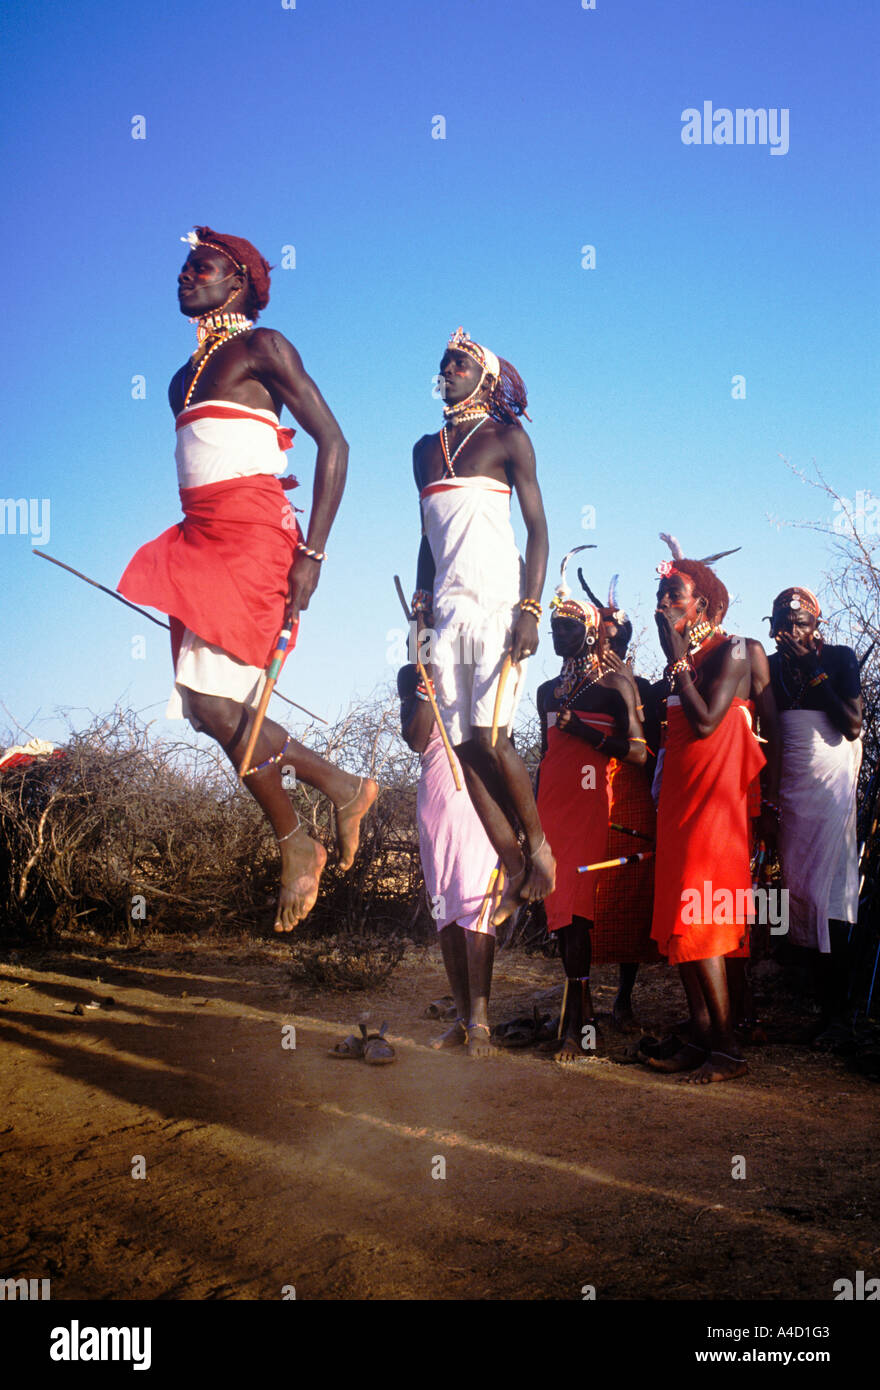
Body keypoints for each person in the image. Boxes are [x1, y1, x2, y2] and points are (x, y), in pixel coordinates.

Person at [120, 226, 376, 932]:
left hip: (257, 536)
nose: (183, 275)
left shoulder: (264, 348)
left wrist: (313, 557)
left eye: (199, 266)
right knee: (207, 707)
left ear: (238, 281)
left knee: (212, 704)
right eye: (181, 266)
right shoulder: (181, 381)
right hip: (198, 538)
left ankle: (300, 837)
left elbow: (336, 443)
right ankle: (338, 789)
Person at [410, 327, 555, 927]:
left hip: (499, 606)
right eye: (442, 362)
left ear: (485, 379)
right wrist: (421, 604)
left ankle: (539, 848)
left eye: (460, 364)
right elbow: (427, 535)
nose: (447, 370)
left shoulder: (506, 439)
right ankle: (511, 861)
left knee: (493, 737)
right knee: (463, 748)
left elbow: (539, 529)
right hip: (446, 612)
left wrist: (530, 607)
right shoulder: (422, 450)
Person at [647, 556, 765, 1083]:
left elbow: (706, 721)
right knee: (681, 917)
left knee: (705, 915)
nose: (666, 600)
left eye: (676, 592)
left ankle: (729, 1049)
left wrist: (676, 659)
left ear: (706, 603)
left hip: (716, 810)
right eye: (663, 592)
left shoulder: (735, 650)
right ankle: (701, 1038)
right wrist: (677, 661)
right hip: (678, 804)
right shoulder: (687, 661)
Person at [536, 576, 648, 1064]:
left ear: (589, 632)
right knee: (561, 915)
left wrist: (586, 732)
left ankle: (580, 1030)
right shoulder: (545, 691)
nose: (557, 635)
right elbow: (546, 755)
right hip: (551, 809)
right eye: (553, 628)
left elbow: (640, 752)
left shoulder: (615, 685)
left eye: (566, 627)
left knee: (579, 911)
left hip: (589, 805)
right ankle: (577, 1017)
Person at [768, 586, 863, 1036]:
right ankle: (812, 1000)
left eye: (799, 624)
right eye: (781, 626)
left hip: (830, 790)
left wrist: (812, 668)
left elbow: (851, 725)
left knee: (831, 893)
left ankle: (838, 1015)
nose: (790, 633)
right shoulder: (767, 669)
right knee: (798, 890)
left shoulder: (839, 658)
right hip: (789, 789)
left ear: (816, 626)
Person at [399, 661, 499, 1058]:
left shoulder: (478, 670)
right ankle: (461, 1017)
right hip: (437, 805)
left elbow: (495, 742)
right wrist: (426, 689)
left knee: (476, 905)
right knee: (447, 911)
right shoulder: (414, 676)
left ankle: (481, 1020)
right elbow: (415, 738)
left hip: (477, 799)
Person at [575, 567, 661, 1028]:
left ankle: (623, 999)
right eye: (600, 637)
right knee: (583, 896)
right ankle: (582, 999)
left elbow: (648, 749)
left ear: (626, 642)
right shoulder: (578, 685)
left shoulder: (641, 687)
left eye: (614, 638)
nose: (606, 645)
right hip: (587, 796)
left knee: (627, 896)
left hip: (629, 798)